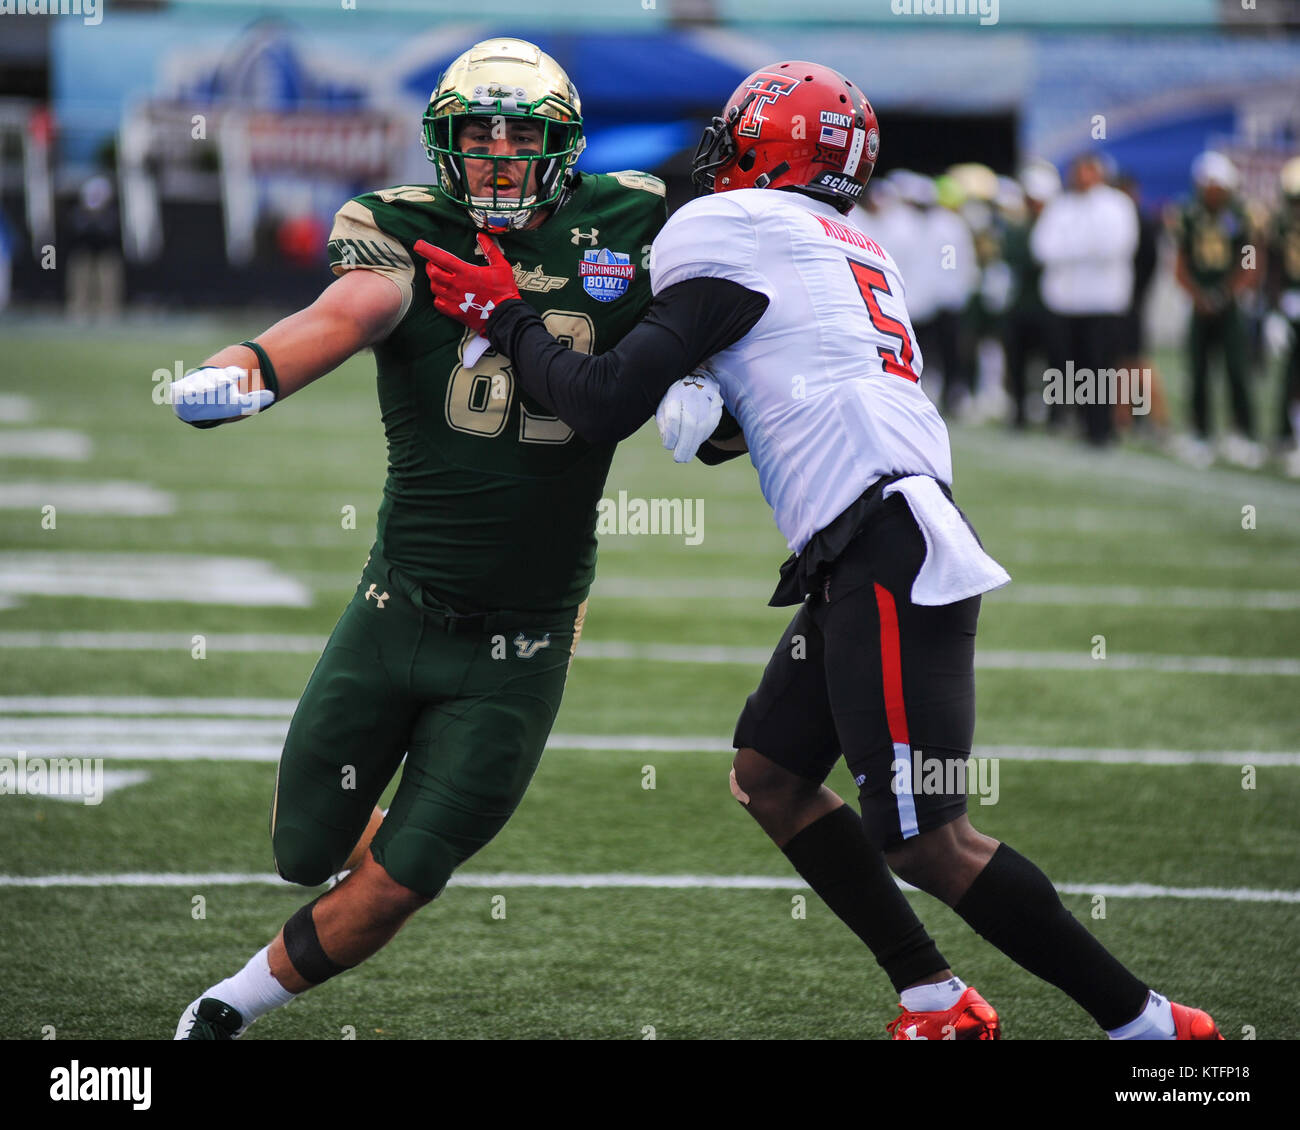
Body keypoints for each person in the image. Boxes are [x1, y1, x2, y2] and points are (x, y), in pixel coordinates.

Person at [420, 60, 1224, 1041]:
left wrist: (503, 314)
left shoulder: (732, 228)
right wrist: (717, 412)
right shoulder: (852, 245)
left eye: (732, 138)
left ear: (768, 148)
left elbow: (598, 404)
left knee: (929, 838)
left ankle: (1149, 1025)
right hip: (863, 539)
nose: (716, 155)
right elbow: (770, 393)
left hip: (886, 540)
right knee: (769, 774)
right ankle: (933, 996)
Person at [168, 36, 667, 1039]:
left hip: (525, 638)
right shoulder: (401, 222)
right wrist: (252, 369)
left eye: (518, 132)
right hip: (397, 605)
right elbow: (351, 307)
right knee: (304, 848)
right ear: (441, 142)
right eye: (472, 133)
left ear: (561, 143)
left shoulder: (636, 217)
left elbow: (726, 302)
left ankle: (225, 1004)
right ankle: (404, 835)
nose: (493, 154)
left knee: (403, 883)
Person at [1031, 153, 1138, 446]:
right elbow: (1042, 248)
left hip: (1103, 302)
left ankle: (1102, 429)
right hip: (1066, 304)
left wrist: (1070, 250)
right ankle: (1079, 421)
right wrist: (1081, 250)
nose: (1081, 177)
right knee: (1071, 368)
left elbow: (1114, 247)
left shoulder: (1116, 205)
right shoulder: (1061, 206)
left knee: (1101, 368)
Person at [1173, 151, 1261, 469]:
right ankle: (1200, 433)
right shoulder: (1188, 214)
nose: (1210, 190)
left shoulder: (1240, 215)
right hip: (1200, 303)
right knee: (1198, 370)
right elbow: (1180, 262)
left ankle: (1244, 433)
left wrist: (1228, 291)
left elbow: (1250, 260)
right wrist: (1197, 294)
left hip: (1230, 303)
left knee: (1237, 369)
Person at [1265, 156, 1300, 477]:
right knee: (1291, 373)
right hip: (1291, 303)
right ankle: (1289, 435)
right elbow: (1273, 268)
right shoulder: (1278, 224)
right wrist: (1273, 311)